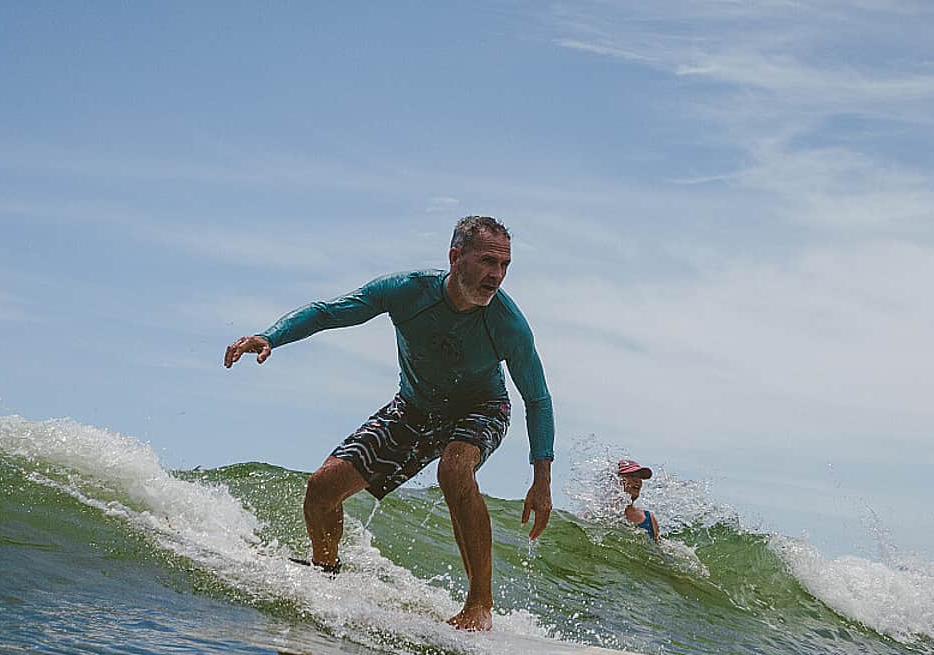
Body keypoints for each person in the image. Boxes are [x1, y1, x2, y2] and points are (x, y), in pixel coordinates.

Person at [223, 216, 553, 631]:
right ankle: (324, 575)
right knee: (322, 488)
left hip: (482, 408)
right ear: (455, 257)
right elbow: (331, 312)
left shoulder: (507, 324)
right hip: (414, 408)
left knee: (454, 468)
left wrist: (541, 481)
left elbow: (537, 399)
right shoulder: (408, 291)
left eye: (505, 265)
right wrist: (271, 336)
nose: (497, 275)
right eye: (488, 261)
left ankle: (479, 606)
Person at [617, 459, 660, 543]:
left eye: (639, 477)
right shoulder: (596, 516)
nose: (637, 481)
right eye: (631, 476)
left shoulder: (649, 518)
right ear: (616, 480)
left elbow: (659, 550)